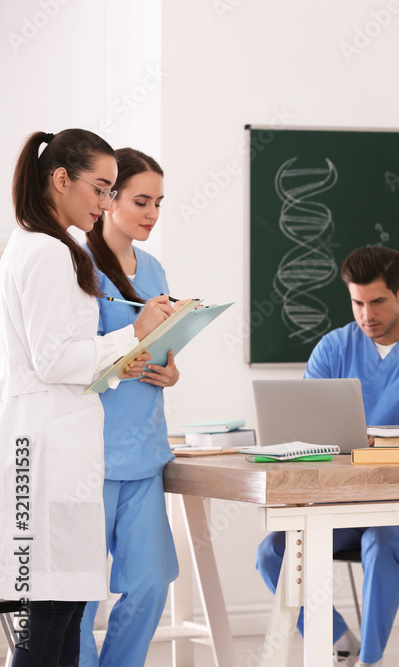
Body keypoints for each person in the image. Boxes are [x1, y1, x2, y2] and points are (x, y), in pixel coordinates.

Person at [0, 130, 172, 665]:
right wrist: (134, 333)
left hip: (55, 444)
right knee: (54, 611)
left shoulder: (37, 244)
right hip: (53, 449)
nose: (104, 201)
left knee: (64, 608)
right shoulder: (51, 252)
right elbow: (56, 358)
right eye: (100, 188)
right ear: (60, 180)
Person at [255, 246, 399, 667]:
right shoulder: (333, 348)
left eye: (377, 301)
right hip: (350, 504)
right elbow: (305, 427)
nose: (366, 314)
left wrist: (379, 440)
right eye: (357, 302)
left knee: (383, 538)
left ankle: (370, 661)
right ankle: (341, 641)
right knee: (274, 550)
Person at [77, 149, 181, 666]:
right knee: (75, 597)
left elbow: (160, 344)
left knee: (149, 585)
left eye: (158, 203)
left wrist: (170, 368)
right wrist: (127, 345)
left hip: (144, 453)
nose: (152, 213)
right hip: (90, 455)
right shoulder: (77, 264)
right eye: (142, 201)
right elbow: (72, 360)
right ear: (109, 196)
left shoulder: (155, 266)